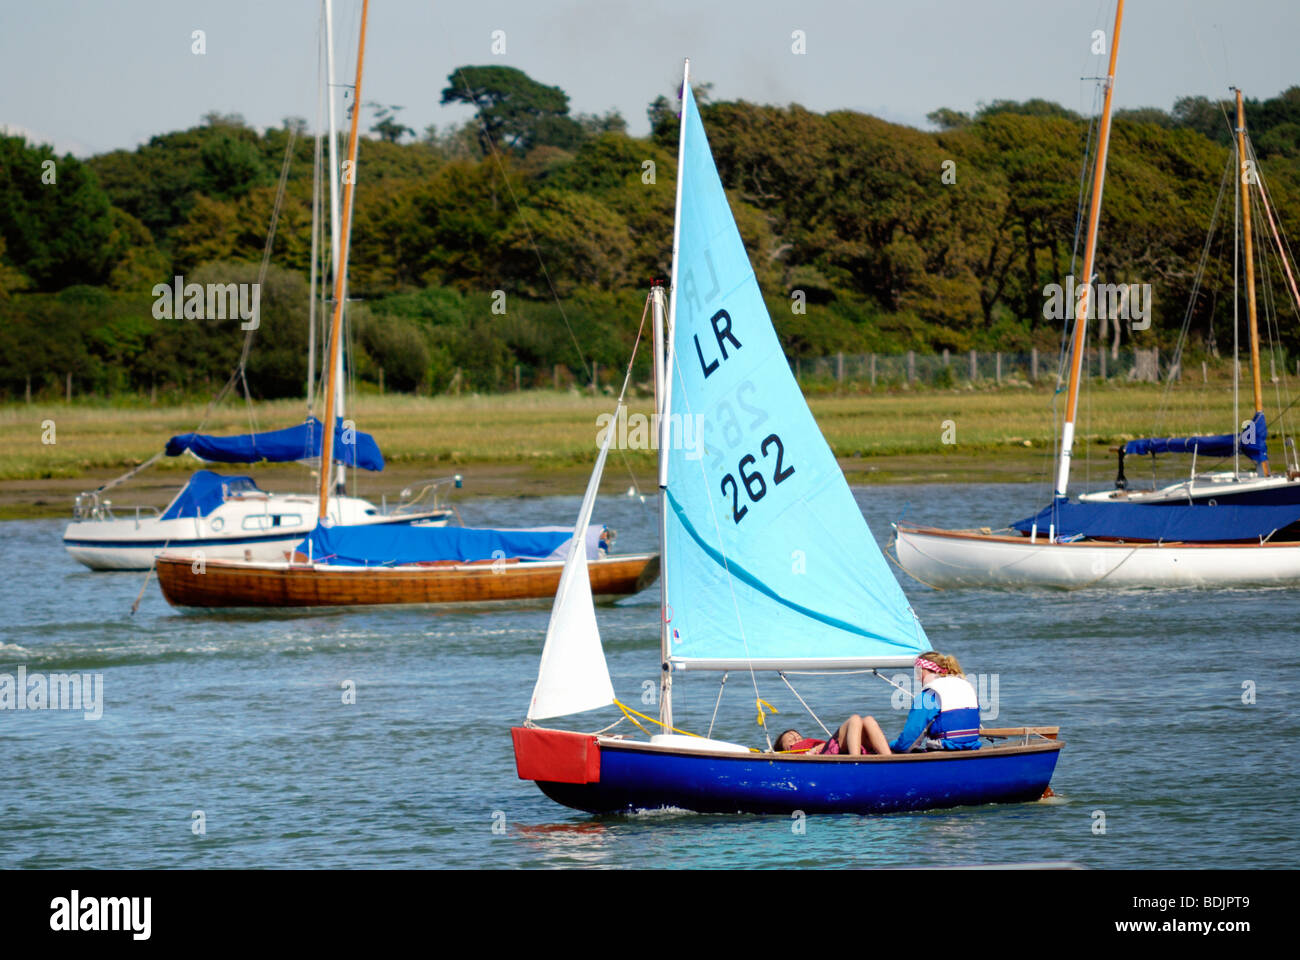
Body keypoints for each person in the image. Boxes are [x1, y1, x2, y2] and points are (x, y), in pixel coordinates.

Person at [890, 651, 982, 752]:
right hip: (972, 748)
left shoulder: (929, 694)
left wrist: (890, 745)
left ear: (924, 670)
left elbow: (907, 743)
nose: (917, 678)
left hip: (945, 750)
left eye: (917, 672)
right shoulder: (967, 686)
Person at [773, 713, 892, 756]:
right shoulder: (792, 755)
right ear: (785, 748)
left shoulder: (810, 744)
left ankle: (890, 759)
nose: (796, 737)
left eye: (797, 735)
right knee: (855, 719)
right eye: (790, 739)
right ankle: (856, 761)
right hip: (830, 752)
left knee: (868, 720)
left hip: (833, 750)